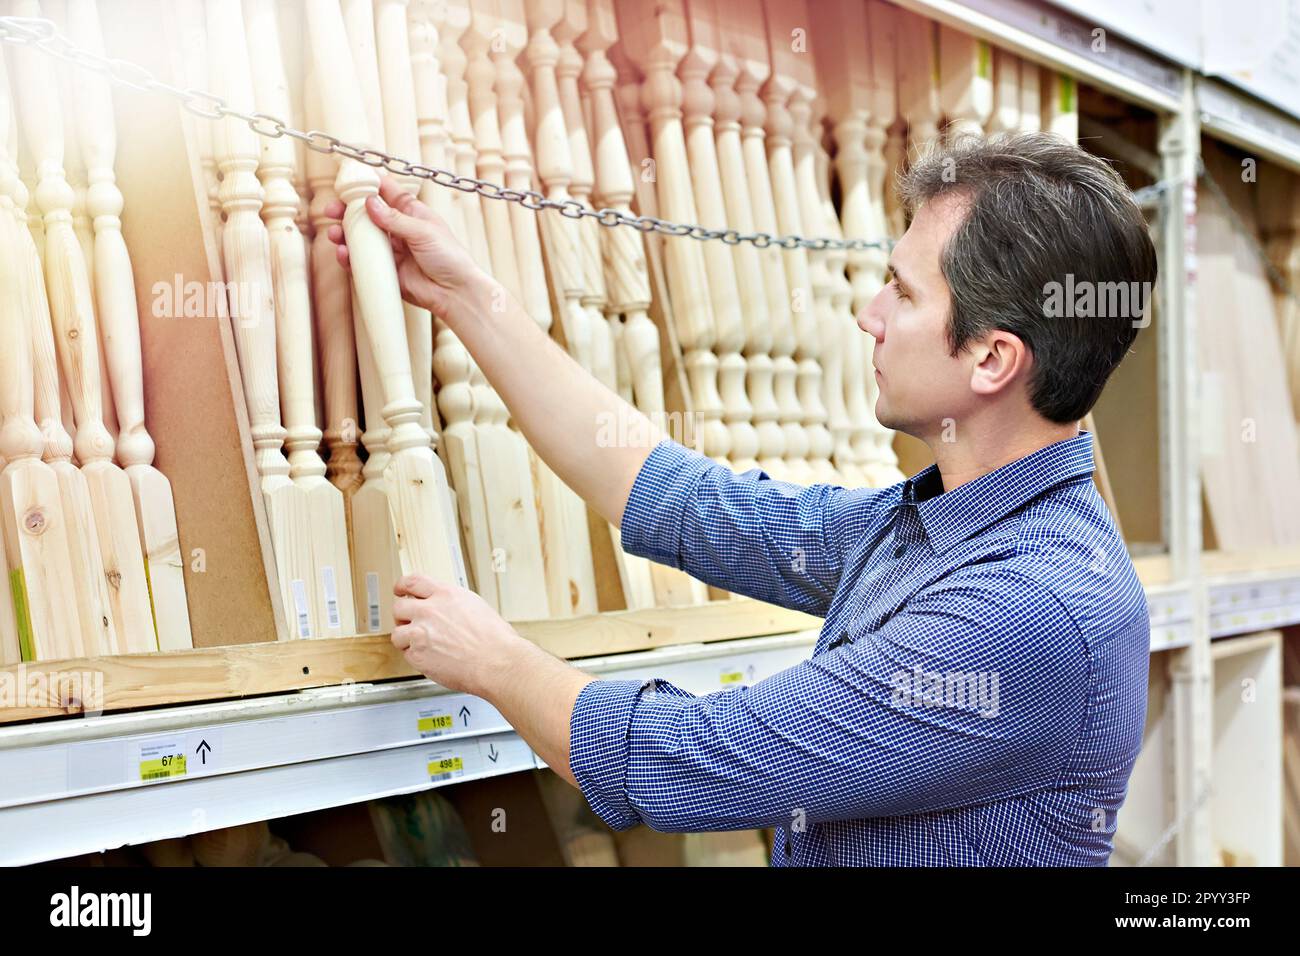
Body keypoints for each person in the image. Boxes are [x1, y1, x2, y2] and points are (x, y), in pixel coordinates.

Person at [327, 131, 1156, 866]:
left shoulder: (1026, 610)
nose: (868, 315)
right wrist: (468, 298)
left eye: (902, 293)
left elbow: (690, 763)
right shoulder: (934, 527)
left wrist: (495, 661)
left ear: (991, 360)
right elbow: (677, 497)